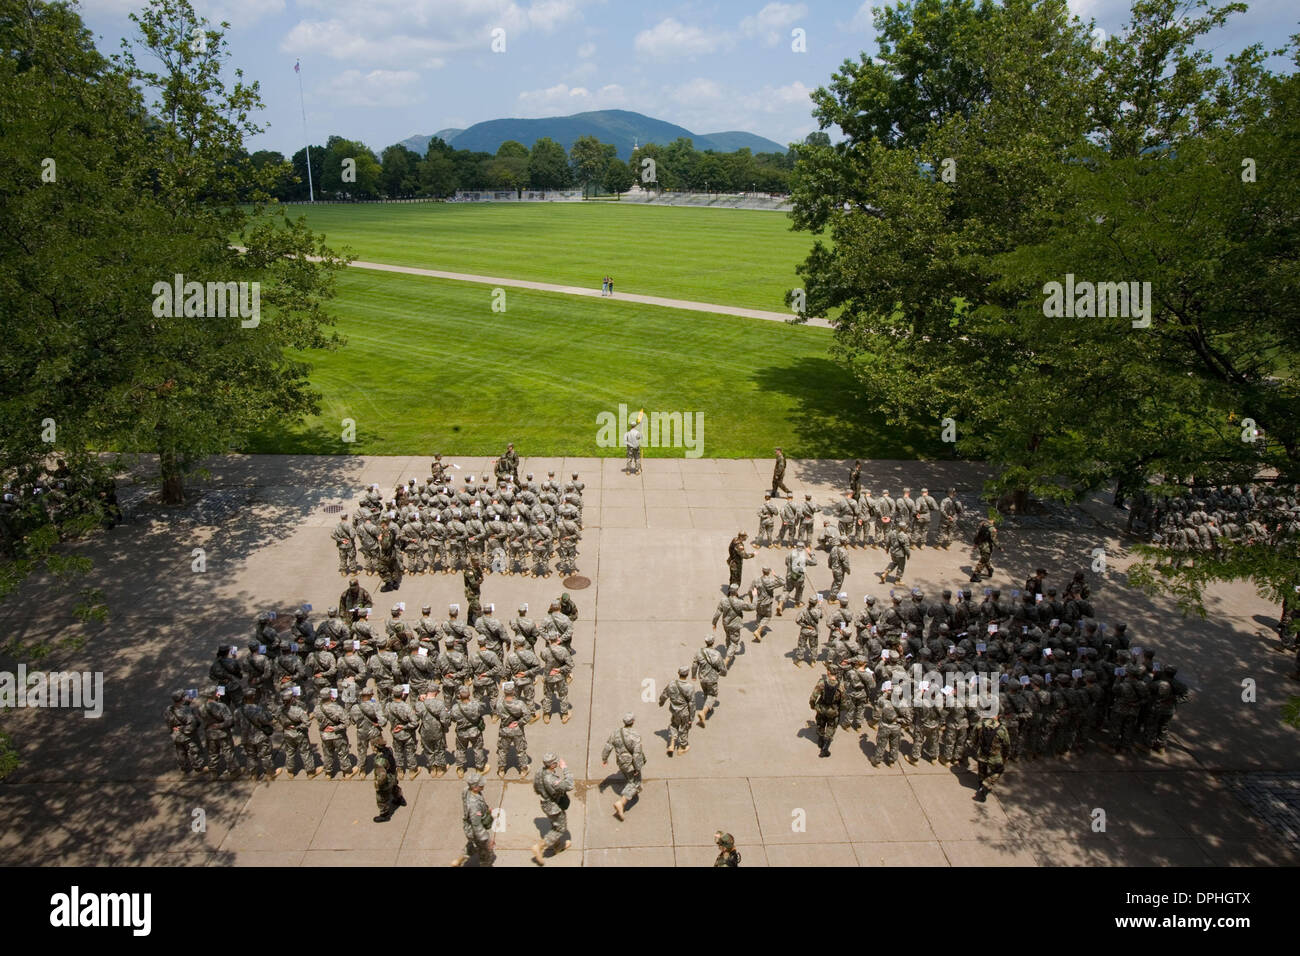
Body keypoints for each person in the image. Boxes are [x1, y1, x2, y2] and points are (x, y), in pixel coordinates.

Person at [531, 752, 575, 865]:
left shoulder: (540, 772)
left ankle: (557, 846)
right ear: (552, 765)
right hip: (554, 806)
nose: (557, 763)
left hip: (544, 803)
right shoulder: (552, 780)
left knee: (555, 823)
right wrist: (565, 768)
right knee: (560, 828)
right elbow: (570, 784)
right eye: (556, 762)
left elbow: (536, 787)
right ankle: (540, 846)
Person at [602, 713, 645, 820]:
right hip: (631, 764)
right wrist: (637, 768)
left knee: (628, 776)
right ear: (633, 722)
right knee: (635, 782)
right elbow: (637, 754)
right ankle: (621, 803)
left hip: (621, 762)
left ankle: (632, 791)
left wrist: (604, 758)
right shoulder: (635, 736)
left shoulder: (616, 732)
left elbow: (608, 746)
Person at [451, 772, 496, 867]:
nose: (483, 786)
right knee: (486, 855)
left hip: (470, 829)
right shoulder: (474, 805)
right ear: (475, 787)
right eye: (481, 785)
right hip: (474, 831)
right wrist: (487, 840)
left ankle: (457, 862)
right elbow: (477, 826)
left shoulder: (467, 790)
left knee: (471, 847)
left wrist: (486, 810)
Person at [973, 712, 1011, 802]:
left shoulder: (979, 725)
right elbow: (1007, 745)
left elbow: (973, 740)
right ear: (997, 716)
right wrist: (1005, 757)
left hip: (981, 754)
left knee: (982, 772)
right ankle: (985, 786)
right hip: (994, 757)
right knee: (998, 770)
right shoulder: (1002, 729)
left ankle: (980, 785)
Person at [372, 735, 407, 822]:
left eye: (372, 745)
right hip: (393, 775)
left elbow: (382, 776)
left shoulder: (380, 761)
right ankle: (399, 799)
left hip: (387, 780)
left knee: (381, 797)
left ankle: (384, 814)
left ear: (376, 747)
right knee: (394, 788)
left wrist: (378, 784)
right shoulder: (388, 750)